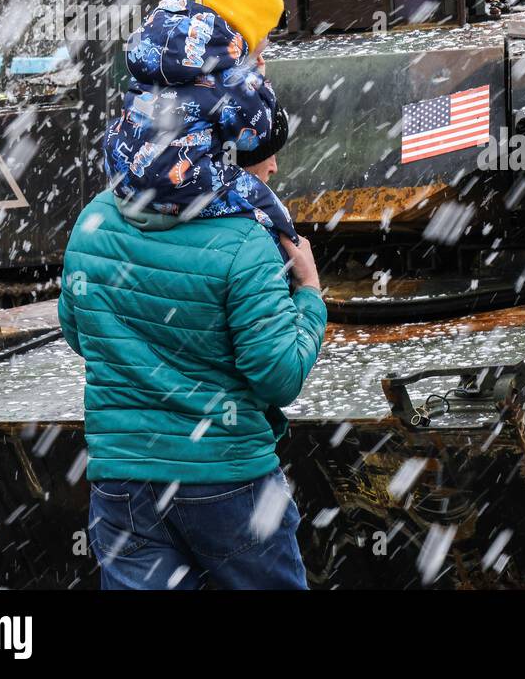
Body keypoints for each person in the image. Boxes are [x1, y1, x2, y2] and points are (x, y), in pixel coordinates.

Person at [58, 87, 326, 589]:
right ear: (215, 158)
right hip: (227, 481)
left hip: (122, 483)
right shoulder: (246, 242)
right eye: (258, 155)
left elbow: (79, 332)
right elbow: (278, 375)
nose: (271, 169)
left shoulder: (93, 220)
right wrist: (309, 294)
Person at [103, 0, 297, 251]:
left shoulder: (161, 44)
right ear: (249, 26)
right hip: (178, 183)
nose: (268, 41)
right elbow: (256, 133)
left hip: (127, 175)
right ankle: (283, 272)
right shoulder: (231, 77)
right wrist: (257, 79)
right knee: (272, 213)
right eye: (267, 32)